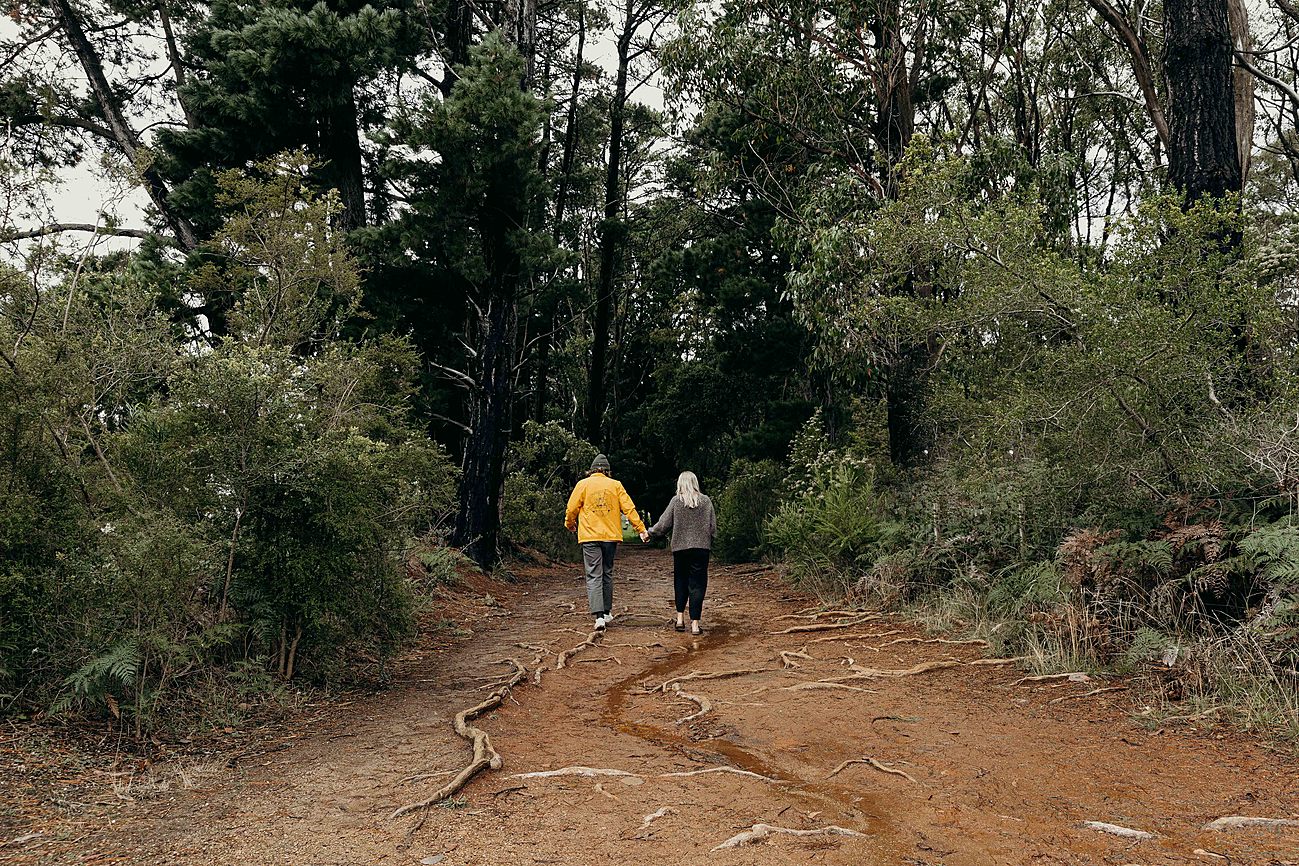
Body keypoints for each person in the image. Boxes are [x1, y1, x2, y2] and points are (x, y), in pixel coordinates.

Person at [565, 454, 649, 631]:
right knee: (607, 573)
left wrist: (570, 524)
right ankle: (607, 611)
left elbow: (572, 508)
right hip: (610, 537)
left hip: (589, 537)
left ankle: (599, 617)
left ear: (592, 469)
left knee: (594, 574)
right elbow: (629, 508)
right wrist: (641, 529)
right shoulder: (615, 485)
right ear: (607, 471)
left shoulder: (583, 485)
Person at [647, 471, 717, 636]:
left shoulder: (676, 501)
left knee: (680, 581)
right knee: (698, 585)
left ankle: (679, 619)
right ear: (695, 483)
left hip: (680, 549)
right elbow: (713, 528)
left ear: (680, 484)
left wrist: (650, 532)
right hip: (701, 549)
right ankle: (695, 624)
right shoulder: (706, 501)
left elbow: (663, 525)